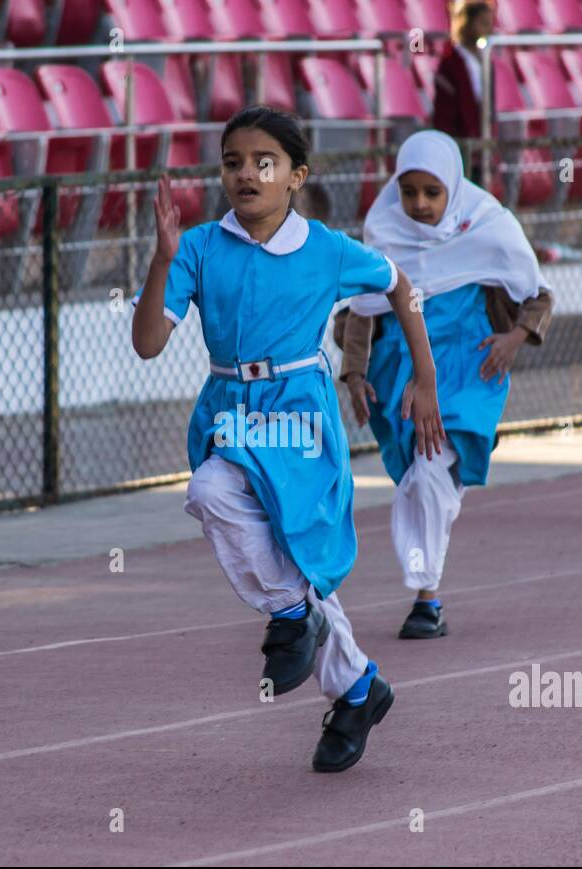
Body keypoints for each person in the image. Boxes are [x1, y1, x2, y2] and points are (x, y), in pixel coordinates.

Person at [131, 106, 446, 772]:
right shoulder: (195, 248)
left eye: (263, 161)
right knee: (217, 493)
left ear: (296, 174)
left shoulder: (327, 249)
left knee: (270, 528)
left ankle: (312, 638)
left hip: (299, 411)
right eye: (233, 161)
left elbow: (400, 287)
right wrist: (160, 263)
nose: (246, 173)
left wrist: (425, 375)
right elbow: (148, 344)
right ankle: (352, 680)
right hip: (229, 408)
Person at [339, 130, 554, 639]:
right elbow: (359, 310)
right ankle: (428, 578)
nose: (418, 204)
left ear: (453, 188)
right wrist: (353, 373)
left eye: (431, 193)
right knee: (420, 474)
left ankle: (425, 597)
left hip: (468, 367)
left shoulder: (488, 224)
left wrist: (515, 338)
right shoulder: (384, 228)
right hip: (398, 368)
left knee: (432, 471)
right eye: (408, 191)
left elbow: (538, 296)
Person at [432, 1, 497, 141]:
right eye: (483, 23)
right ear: (466, 23)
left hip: (480, 138)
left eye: (489, 23)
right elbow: (445, 113)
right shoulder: (450, 63)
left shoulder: (485, 60)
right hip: (459, 139)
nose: (488, 29)